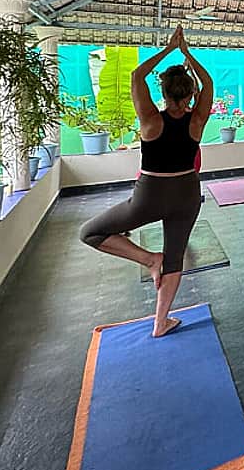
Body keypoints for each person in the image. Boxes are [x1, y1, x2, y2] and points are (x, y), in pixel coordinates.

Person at [79, 26, 213, 338]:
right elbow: (208, 83)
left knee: (90, 232)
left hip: (150, 194)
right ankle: (160, 322)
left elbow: (138, 76)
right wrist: (188, 54)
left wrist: (169, 50)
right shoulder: (197, 121)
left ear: (164, 93)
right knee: (175, 256)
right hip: (187, 193)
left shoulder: (151, 120)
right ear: (191, 93)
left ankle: (149, 259)